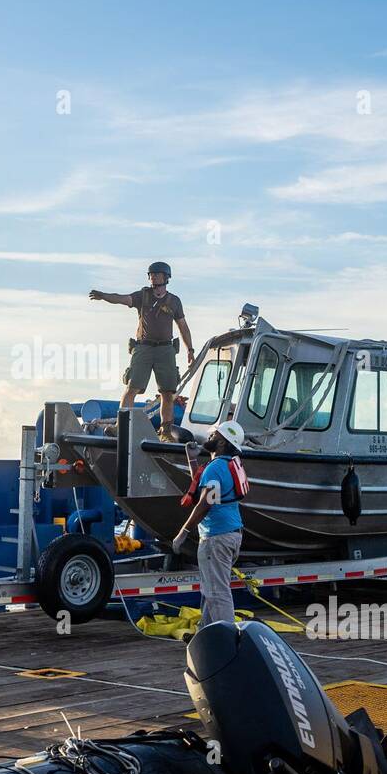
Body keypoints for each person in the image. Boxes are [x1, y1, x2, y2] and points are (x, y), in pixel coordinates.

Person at [89, 261, 194, 441]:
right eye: (151, 274)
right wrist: (103, 296)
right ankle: (120, 426)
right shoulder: (143, 296)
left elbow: (183, 326)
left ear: (166, 277)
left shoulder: (174, 301)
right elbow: (121, 298)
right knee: (132, 388)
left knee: (168, 392)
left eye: (157, 274)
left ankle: (166, 431)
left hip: (165, 349)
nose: (153, 276)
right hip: (144, 347)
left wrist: (190, 350)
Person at [172, 421, 248, 627]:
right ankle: (206, 632)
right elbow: (203, 489)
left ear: (222, 442)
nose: (209, 438)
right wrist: (192, 461)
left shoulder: (215, 469)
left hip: (216, 538)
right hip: (232, 535)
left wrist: (184, 531)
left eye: (213, 435)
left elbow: (207, 501)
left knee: (216, 591)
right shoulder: (223, 465)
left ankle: (229, 638)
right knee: (210, 590)